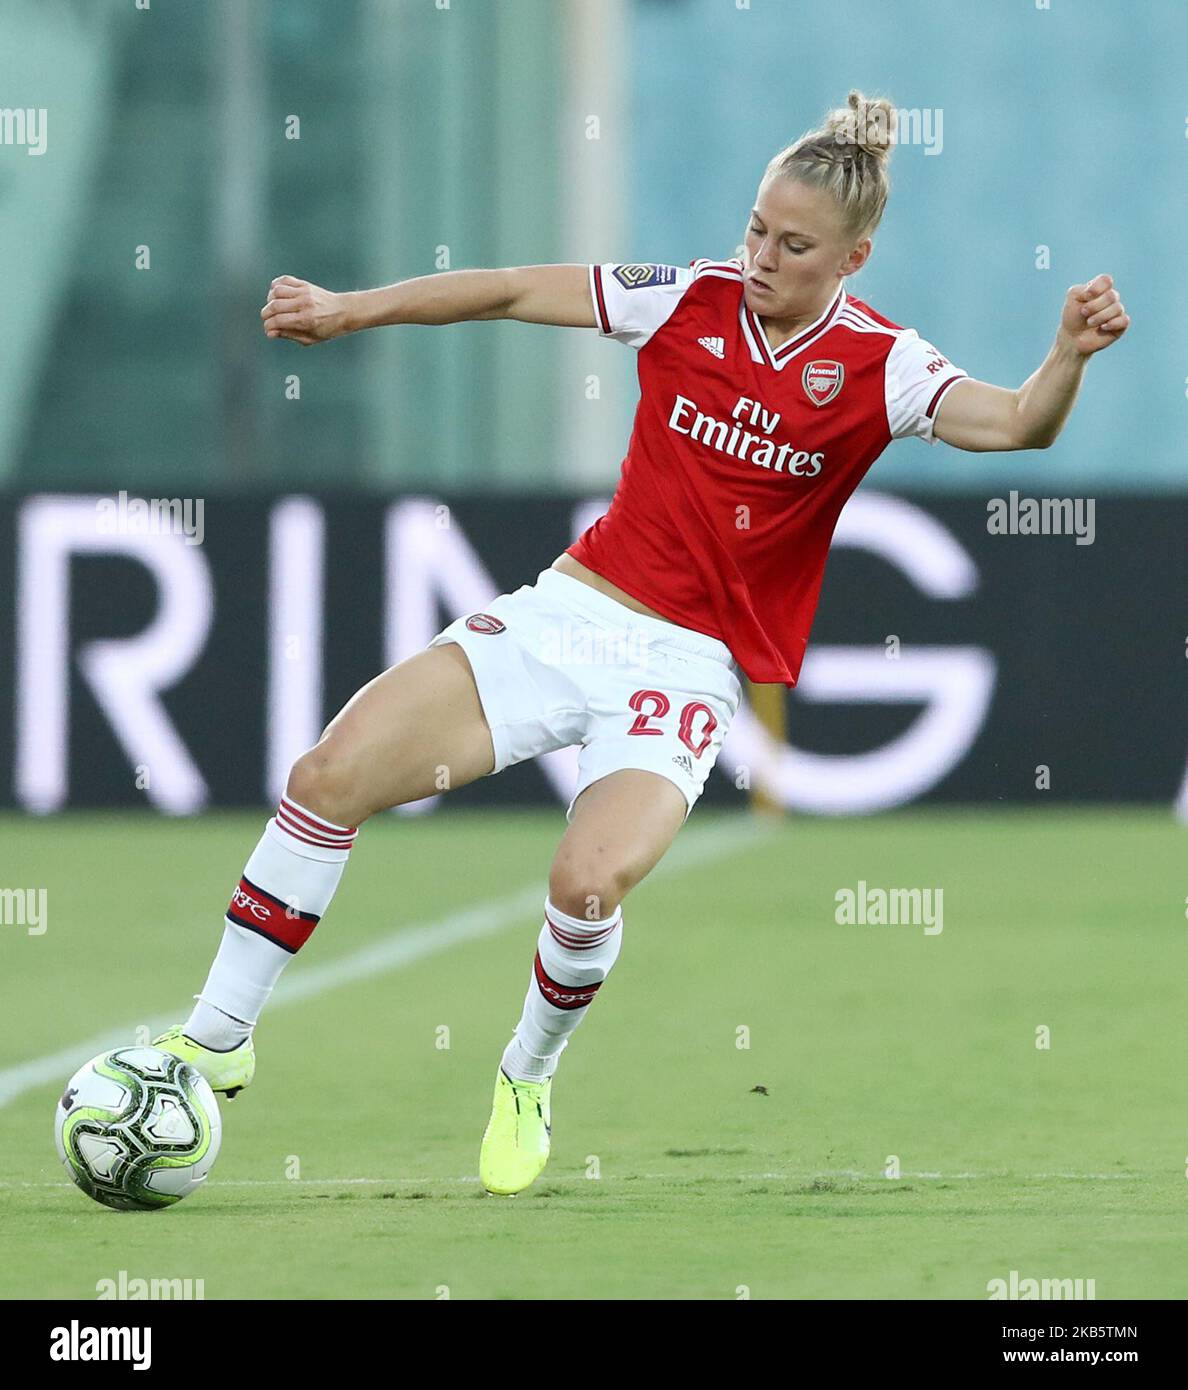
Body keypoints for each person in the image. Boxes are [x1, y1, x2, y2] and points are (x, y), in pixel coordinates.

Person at [154, 91, 1129, 1195]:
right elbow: (516, 288)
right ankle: (215, 1036)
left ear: (853, 257)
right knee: (328, 775)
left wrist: (1067, 358)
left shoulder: (881, 365)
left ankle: (526, 1073)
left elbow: (1014, 424)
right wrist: (349, 309)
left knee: (587, 882)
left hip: (686, 666)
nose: (760, 255)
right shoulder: (684, 301)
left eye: (792, 244)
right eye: (756, 228)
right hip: (572, 611)